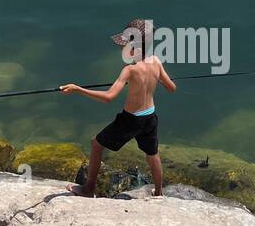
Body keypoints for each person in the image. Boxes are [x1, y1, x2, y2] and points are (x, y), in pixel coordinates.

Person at [60, 18, 176, 197]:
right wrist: (153, 78)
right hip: (150, 117)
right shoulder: (156, 62)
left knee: (96, 144)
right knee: (152, 154)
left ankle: (88, 189)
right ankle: (159, 193)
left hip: (131, 120)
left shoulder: (129, 70)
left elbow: (108, 97)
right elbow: (171, 88)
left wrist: (78, 89)